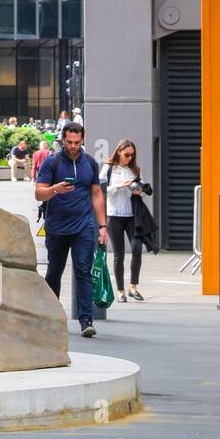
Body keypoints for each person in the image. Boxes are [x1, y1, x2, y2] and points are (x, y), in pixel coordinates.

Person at [34, 122, 108, 338]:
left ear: (82, 139)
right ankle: (51, 316)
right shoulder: (52, 163)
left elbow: (96, 194)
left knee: (83, 270)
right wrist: (55, 189)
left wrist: (102, 225)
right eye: (69, 142)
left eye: (77, 142)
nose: (73, 146)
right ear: (63, 140)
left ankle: (86, 321)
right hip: (57, 227)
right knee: (54, 272)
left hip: (84, 226)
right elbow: (39, 194)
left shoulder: (91, 164)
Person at [101, 139, 152, 303]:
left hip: (132, 215)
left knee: (137, 249)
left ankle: (133, 287)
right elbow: (101, 191)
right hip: (114, 214)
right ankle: (120, 291)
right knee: (118, 254)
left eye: (132, 155)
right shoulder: (108, 168)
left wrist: (139, 190)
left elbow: (142, 190)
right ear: (118, 152)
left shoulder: (135, 169)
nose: (129, 158)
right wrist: (120, 186)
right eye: (126, 154)